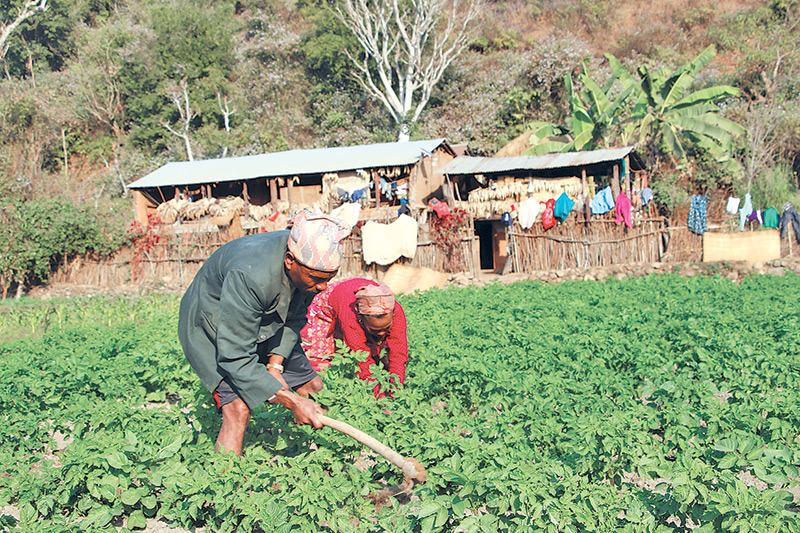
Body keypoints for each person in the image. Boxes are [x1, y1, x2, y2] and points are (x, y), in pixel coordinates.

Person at [178, 210, 350, 455]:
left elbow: (294, 318)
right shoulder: (251, 275)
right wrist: (290, 402)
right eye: (316, 279)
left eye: (329, 278)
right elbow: (235, 355)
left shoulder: (309, 269)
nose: (322, 287)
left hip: (268, 318)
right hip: (213, 325)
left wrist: (275, 366)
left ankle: (325, 450)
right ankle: (223, 483)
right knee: (237, 409)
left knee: (312, 384)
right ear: (290, 261)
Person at [300, 278, 408, 396]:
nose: (382, 334)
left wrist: (396, 393)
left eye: (385, 328)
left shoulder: (396, 312)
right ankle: (319, 398)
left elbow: (398, 353)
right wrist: (380, 399)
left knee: (381, 357)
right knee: (322, 364)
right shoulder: (350, 316)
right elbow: (361, 359)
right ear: (360, 319)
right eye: (375, 329)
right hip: (329, 306)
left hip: (350, 292)